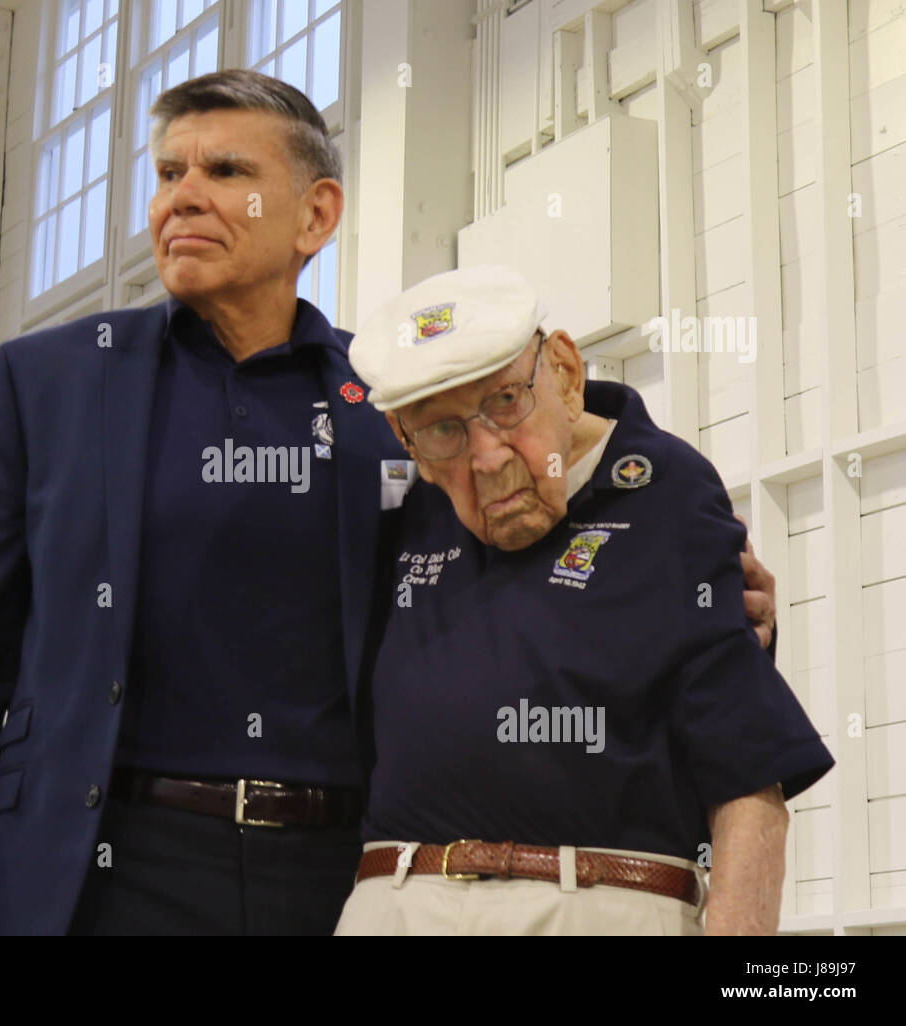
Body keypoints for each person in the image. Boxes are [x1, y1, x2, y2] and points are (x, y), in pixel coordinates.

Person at [0, 71, 778, 936]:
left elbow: (519, 547)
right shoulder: (45, 384)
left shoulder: (395, 412)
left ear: (315, 213)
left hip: (331, 880)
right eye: (169, 171)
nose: (183, 195)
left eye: (225, 171)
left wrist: (692, 592)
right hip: (96, 866)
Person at [334, 265, 833, 935]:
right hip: (394, 904)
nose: (485, 457)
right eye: (444, 431)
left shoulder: (666, 493)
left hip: (592, 903)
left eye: (505, 402)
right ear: (407, 441)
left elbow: (749, 784)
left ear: (565, 374)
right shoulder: (399, 505)